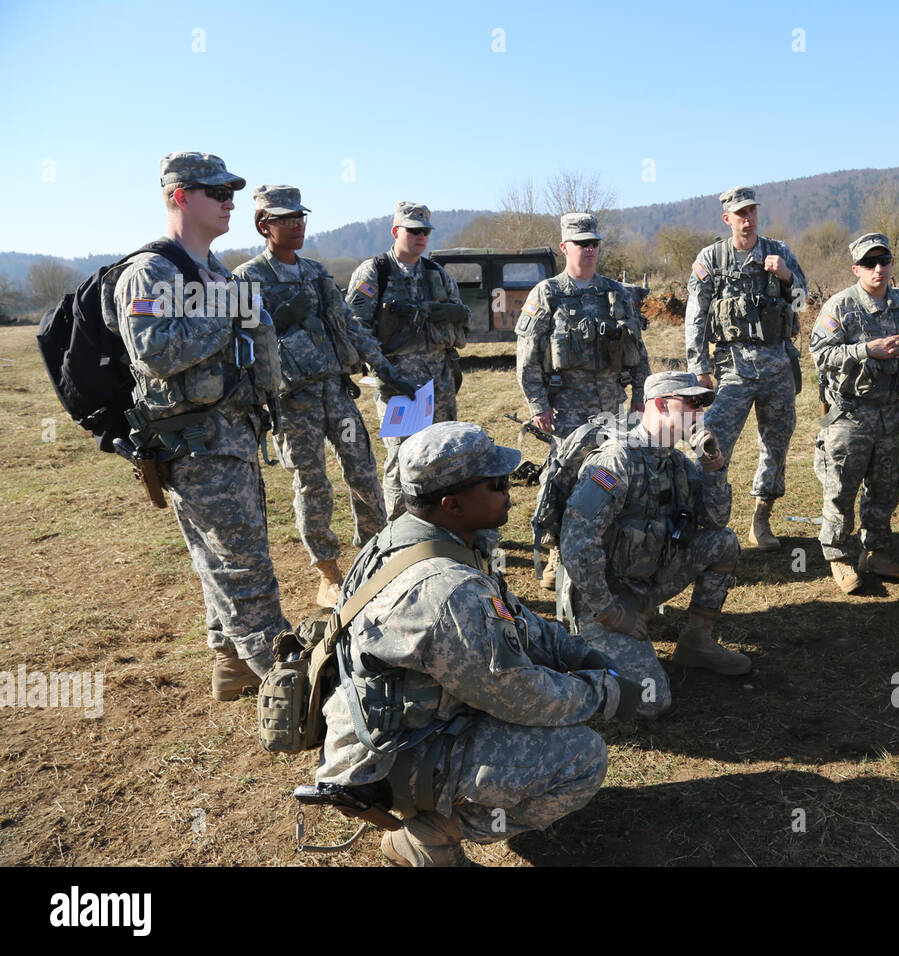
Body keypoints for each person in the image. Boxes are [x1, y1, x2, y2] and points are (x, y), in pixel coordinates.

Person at [315, 421, 641, 867]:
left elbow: (511, 614)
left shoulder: (416, 538)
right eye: (497, 484)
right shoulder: (448, 592)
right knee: (581, 758)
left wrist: (574, 652)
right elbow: (521, 696)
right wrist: (602, 694)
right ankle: (429, 835)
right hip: (391, 757)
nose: (509, 490)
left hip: (401, 725)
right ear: (453, 504)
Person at [105, 152, 289, 698]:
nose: (230, 201)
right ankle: (287, 680)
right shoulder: (150, 272)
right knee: (243, 563)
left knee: (227, 555)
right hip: (198, 444)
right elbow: (154, 352)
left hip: (231, 435)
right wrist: (224, 307)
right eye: (216, 192)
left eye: (232, 191)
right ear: (180, 196)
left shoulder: (214, 271)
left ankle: (231, 664)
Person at [233, 185, 410, 607]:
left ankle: (375, 559)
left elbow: (349, 324)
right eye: (285, 219)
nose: (297, 225)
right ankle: (328, 575)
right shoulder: (246, 278)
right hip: (293, 401)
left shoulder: (315, 273)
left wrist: (385, 370)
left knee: (364, 475)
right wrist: (275, 327)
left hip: (336, 392)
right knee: (313, 486)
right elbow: (240, 344)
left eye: (300, 217)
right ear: (264, 225)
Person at [558, 371, 748, 716]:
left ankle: (696, 643)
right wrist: (611, 612)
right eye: (690, 403)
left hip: (647, 580)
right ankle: (570, 664)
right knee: (651, 701)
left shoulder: (673, 462)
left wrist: (713, 466)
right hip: (601, 596)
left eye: (702, 404)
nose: (699, 412)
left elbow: (716, 521)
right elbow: (576, 546)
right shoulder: (615, 461)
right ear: (660, 405)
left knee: (723, 542)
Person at [809, 233, 899, 592]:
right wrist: (865, 350)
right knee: (841, 489)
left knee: (885, 488)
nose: (879, 269)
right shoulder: (841, 307)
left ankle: (874, 550)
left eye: (884, 261)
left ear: (891, 264)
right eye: (870, 263)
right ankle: (839, 557)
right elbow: (820, 354)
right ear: (856, 268)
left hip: (890, 413)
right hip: (850, 415)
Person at [515, 212, 649, 589]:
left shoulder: (616, 293)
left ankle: (605, 546)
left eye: (594, 244)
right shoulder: (547, 294)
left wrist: (641, 397)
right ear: (564, 247)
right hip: (567, 408)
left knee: (611, 477)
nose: (589, 250)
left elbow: (637, 348)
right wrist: (538, 405)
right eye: (581, 244)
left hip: (612, 405)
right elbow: (527, 356)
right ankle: (557, 550)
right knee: (563, 478)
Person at [685, 186, 807, 553]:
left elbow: (802, 303)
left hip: (777, 363)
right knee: (714, 442)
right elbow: (696, 316)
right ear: (728, 219)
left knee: (777, 442)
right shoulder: (712, 259)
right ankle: (707, 518)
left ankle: (761, 518)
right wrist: (699, 367)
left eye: (752, 211)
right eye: (740, 214)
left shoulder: (779, 252)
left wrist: (787, 278)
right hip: (731, 368)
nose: (748, 218)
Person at [345, 203, 470, 517]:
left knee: (443, 453)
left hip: (440, 380)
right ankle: (399, 531)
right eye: (413, 230)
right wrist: (384, 372)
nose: (421, 237)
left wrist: (455, 315)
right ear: (395, 231)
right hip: (399, 381)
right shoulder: (376, 272)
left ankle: (438, 522)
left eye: (425, 231)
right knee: (403, 457)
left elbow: (461, 317)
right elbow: (355, 327)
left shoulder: (436, 274)